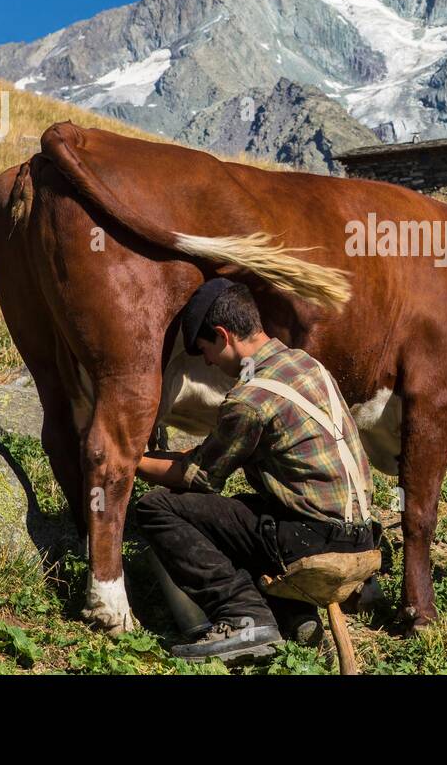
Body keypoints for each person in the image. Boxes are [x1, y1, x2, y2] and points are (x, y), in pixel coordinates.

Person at [135, 277, 375, 665]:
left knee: (158, 507)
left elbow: (199, 477)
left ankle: (242, 615)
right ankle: (292, 613)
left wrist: (132, 461)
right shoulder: (305, 364)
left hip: (309, 538)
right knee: (241, 512)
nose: (209, 362)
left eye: (206, 350)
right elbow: (219, 454)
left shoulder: (249, 399)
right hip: (360, 534)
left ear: (223, 335)